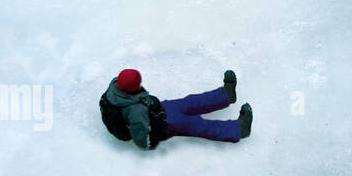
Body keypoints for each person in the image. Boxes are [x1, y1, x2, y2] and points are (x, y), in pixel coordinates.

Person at [100, 68, 252, 150]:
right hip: (163, 124)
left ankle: (225, 95)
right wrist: (148, 143)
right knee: (195, 124)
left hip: (157, 110)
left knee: (189, 102)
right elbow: (140, 132)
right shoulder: (135, 111)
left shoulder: (115, 89)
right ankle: (239, 129)